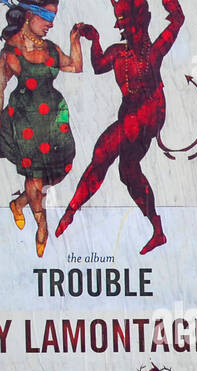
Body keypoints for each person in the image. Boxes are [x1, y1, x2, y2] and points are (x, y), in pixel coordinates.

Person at [53, 0, 183, 255]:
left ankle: (70, 212)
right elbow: (99, 65)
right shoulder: (118, 53)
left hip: (148, 116)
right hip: (129, 118)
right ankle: (158, 231)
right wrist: (95, 40)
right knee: (126, 170)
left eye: (134, 26)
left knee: (105, 152)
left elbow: (177, 18)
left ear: (142, 24)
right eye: (126, 27)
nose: (131, 32)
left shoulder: (152, 52)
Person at [1, 0, 83, 258]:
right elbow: (0, 86)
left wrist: (74, 40)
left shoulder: (49, 47)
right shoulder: (11, 51)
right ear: (29, 16)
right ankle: (42, 227)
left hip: (55, 118)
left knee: (60, 168)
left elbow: (75, 66)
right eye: (47, 18)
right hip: (27, 120)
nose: (51, 24)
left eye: (53, 18)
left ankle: (20, 202)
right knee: (35, 176)